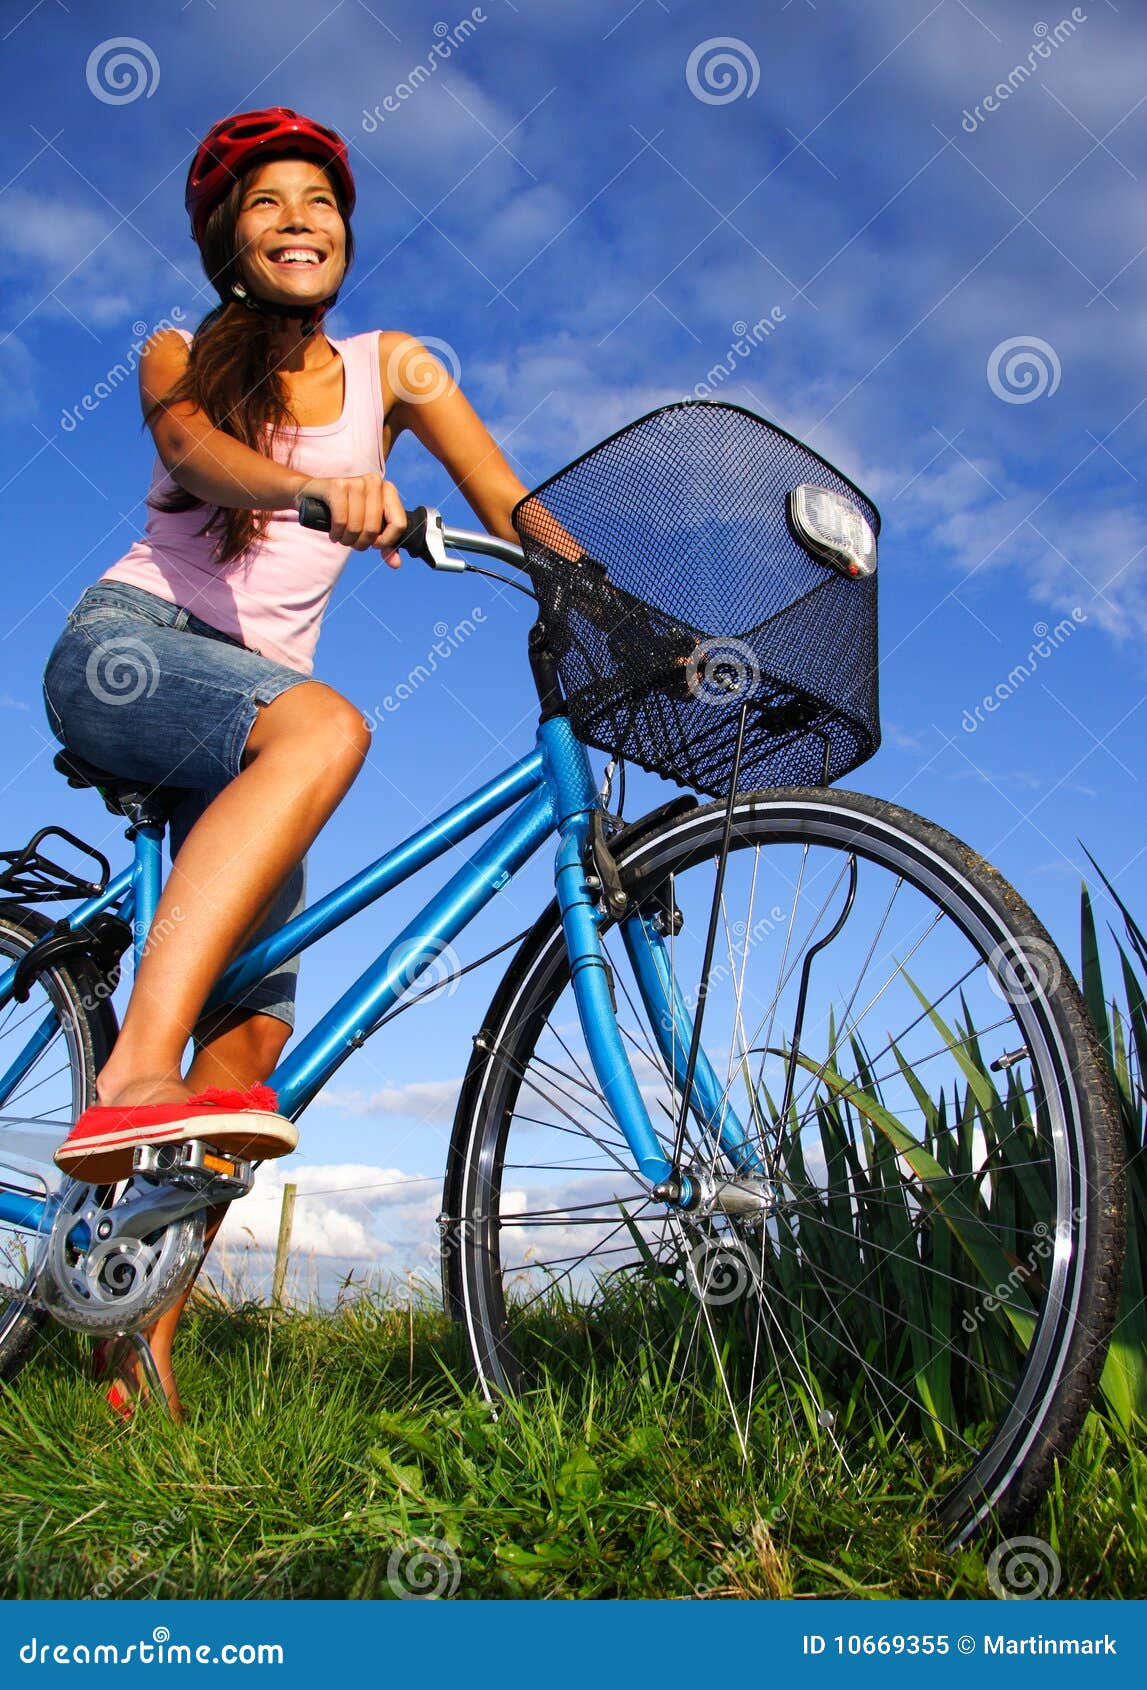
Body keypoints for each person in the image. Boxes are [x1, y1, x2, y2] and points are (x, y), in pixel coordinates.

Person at [40, 108, 531, 1417]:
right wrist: (319, 494)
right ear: (228, 240)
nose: (302, 217)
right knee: (329, 722)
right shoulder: (178, 349)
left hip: (250, 727)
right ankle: (133, 1069)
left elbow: (510, 502)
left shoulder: (399, 370)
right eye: (269, 203)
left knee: (252, 1044)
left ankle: (132, 1338)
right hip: (132, 652)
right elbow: (190, 450)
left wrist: (604, 593)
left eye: (322, 198)